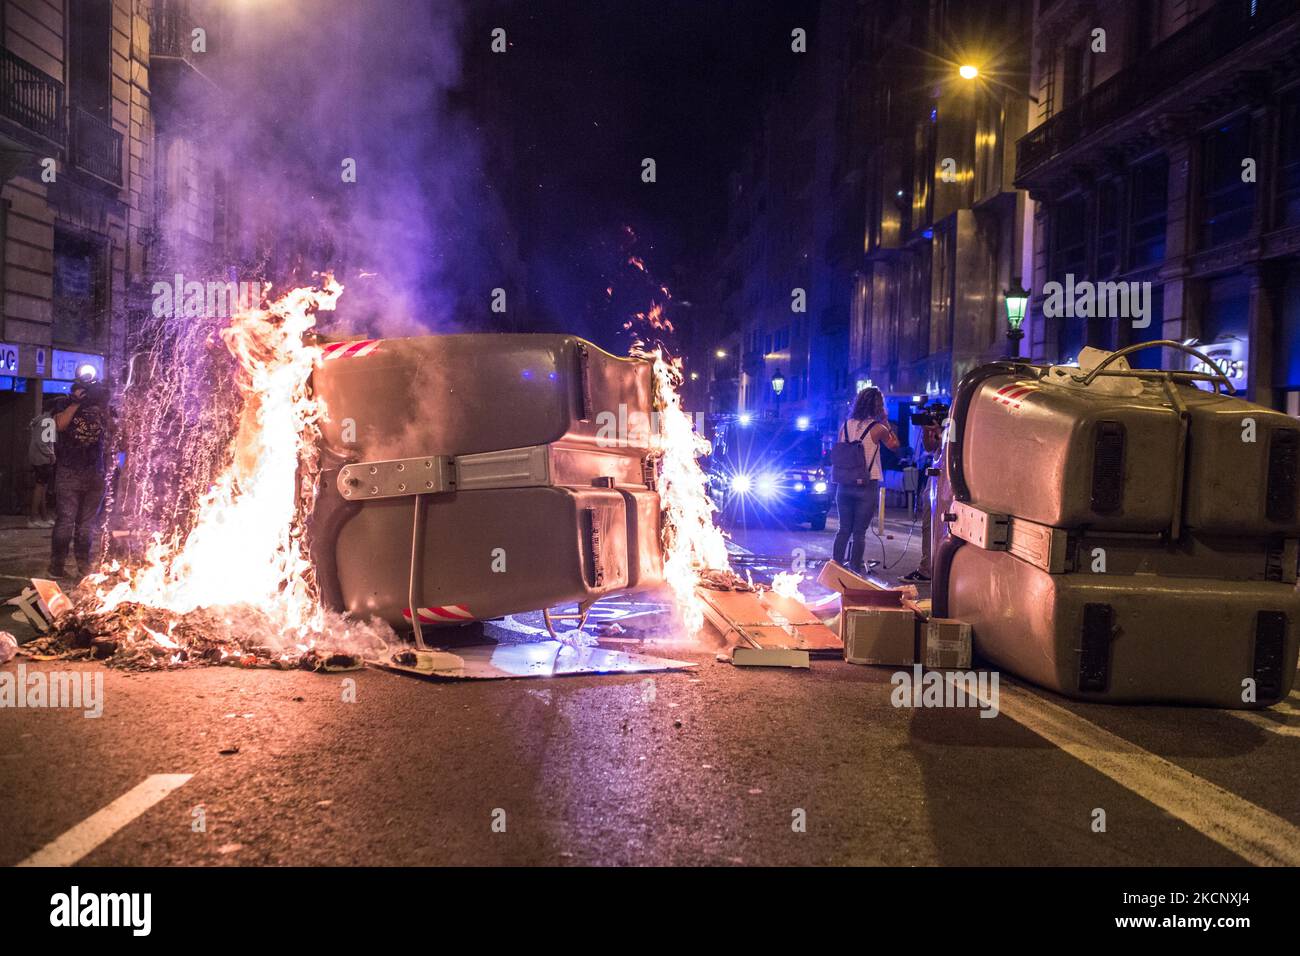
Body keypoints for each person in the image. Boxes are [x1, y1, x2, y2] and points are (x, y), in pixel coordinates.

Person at [832, 386, 899, 574]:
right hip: (867, 485)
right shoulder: (878, 429)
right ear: (878, 406)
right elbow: (894, 445)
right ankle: (854, 569)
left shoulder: (845, 425)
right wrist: (885, 420)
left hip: (844, 484)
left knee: (843, 529)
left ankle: (836, 567)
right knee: (859, 532)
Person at [49, 377, 109, 578]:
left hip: (94, 474)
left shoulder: (101, 409)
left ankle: (83, 565)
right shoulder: (63, 404)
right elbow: (59, 425)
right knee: (66, 521)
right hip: (69, 472)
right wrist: (76, 403)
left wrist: (103, 409)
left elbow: (117, 433)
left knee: (87, 525)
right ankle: (57, 566)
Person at [901, 413, 944, 583]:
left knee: (937, 525)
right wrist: (927, 432)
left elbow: (950, 445)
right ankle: (927, 567)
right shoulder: (944, 428)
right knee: (928, 525)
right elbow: (930, 448)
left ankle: (930, 570)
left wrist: (941, 432)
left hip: (946, 478)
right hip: (935, 476)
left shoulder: (954, 425)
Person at [27, 410, 56, 528]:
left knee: (43, 487)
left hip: (37, 457)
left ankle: (44, 517)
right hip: (42, 458)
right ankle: (33, 519)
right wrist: (51, 454)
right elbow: (43, 442)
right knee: (40, 487)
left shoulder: (41, 419)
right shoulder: (48, 421)